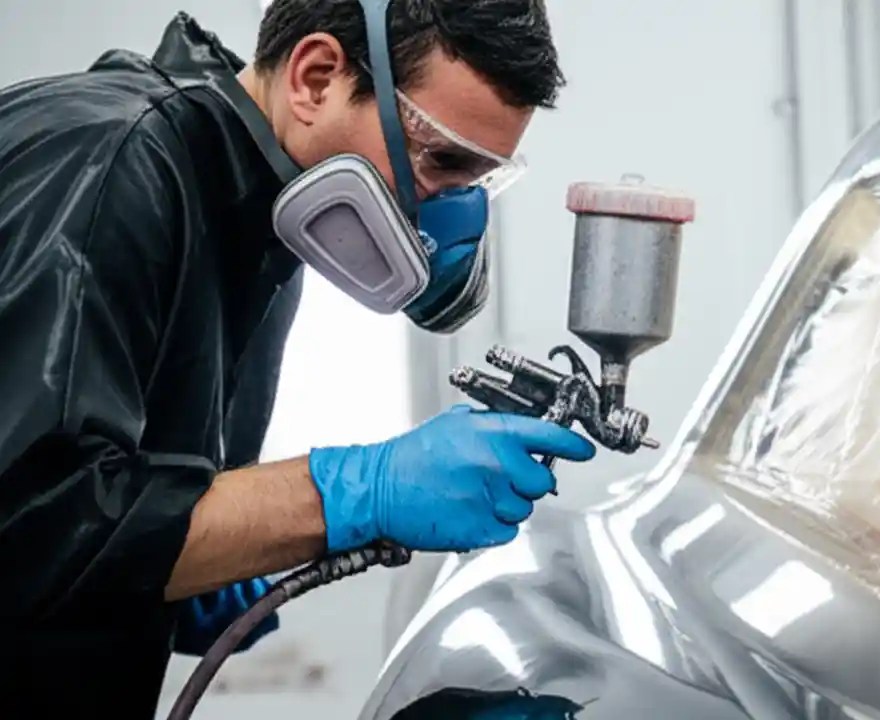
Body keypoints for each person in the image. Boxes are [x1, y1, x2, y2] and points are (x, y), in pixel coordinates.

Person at [0, 1, 595, 716]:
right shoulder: (109, 161)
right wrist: (358, 489)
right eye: (442, 161)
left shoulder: (256, 222)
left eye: (481, 180)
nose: (451, 210)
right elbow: (34, 525)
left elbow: (108, 518)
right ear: (315, 78)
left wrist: (193, 559)